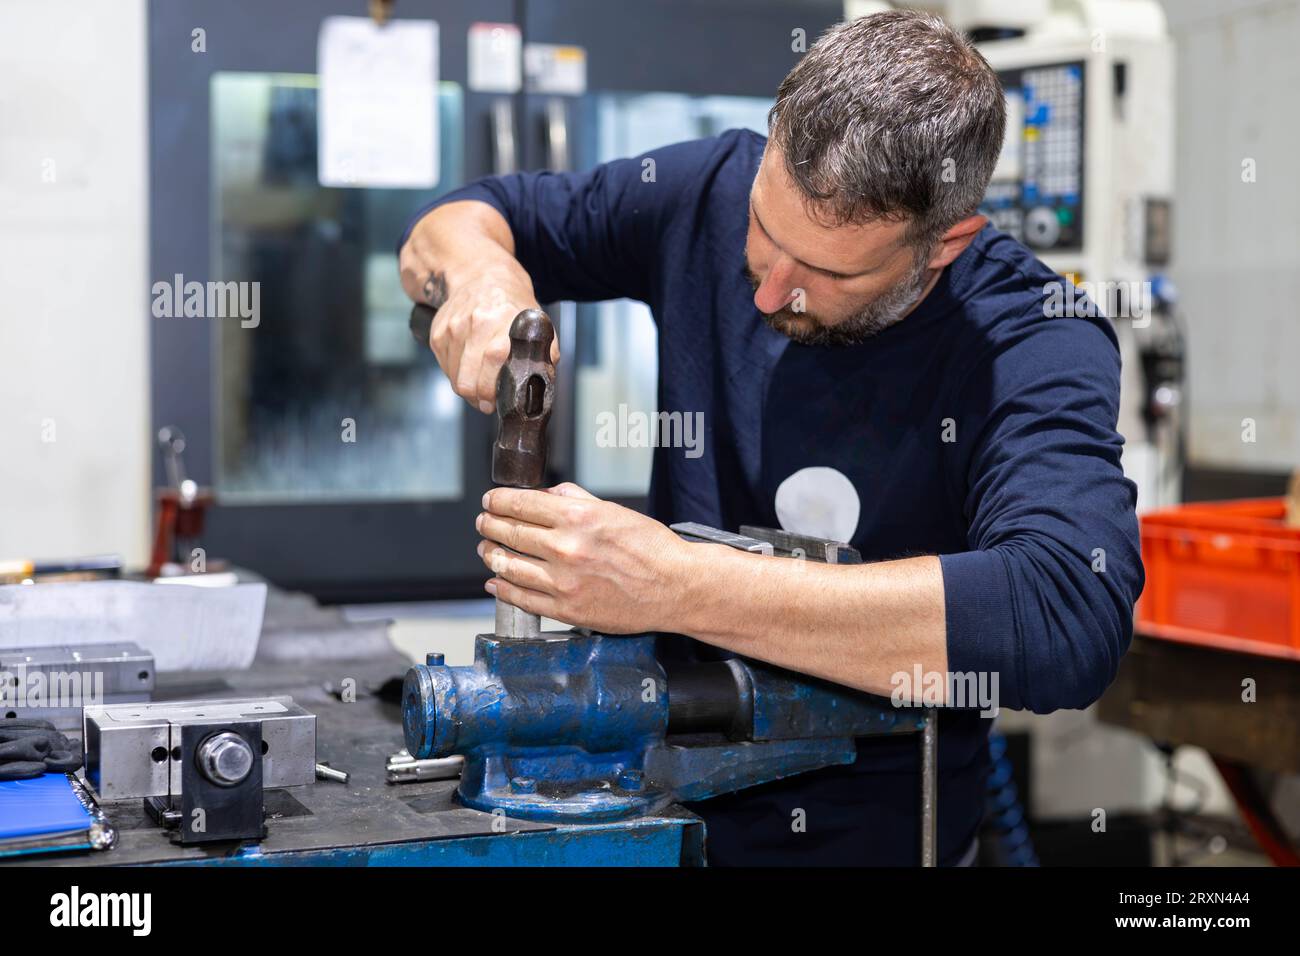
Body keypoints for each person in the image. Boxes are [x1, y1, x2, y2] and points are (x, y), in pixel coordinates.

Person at [396, 10, 1142, 865]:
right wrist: (486, 279)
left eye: (827, 272)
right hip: (649, 809)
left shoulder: (1028, 337)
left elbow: (1064, 612)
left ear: (945, 246)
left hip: (875, 838)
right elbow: (460, 218)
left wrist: (676, 586)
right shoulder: (706, 188)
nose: (768, 291)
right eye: (764, 230)